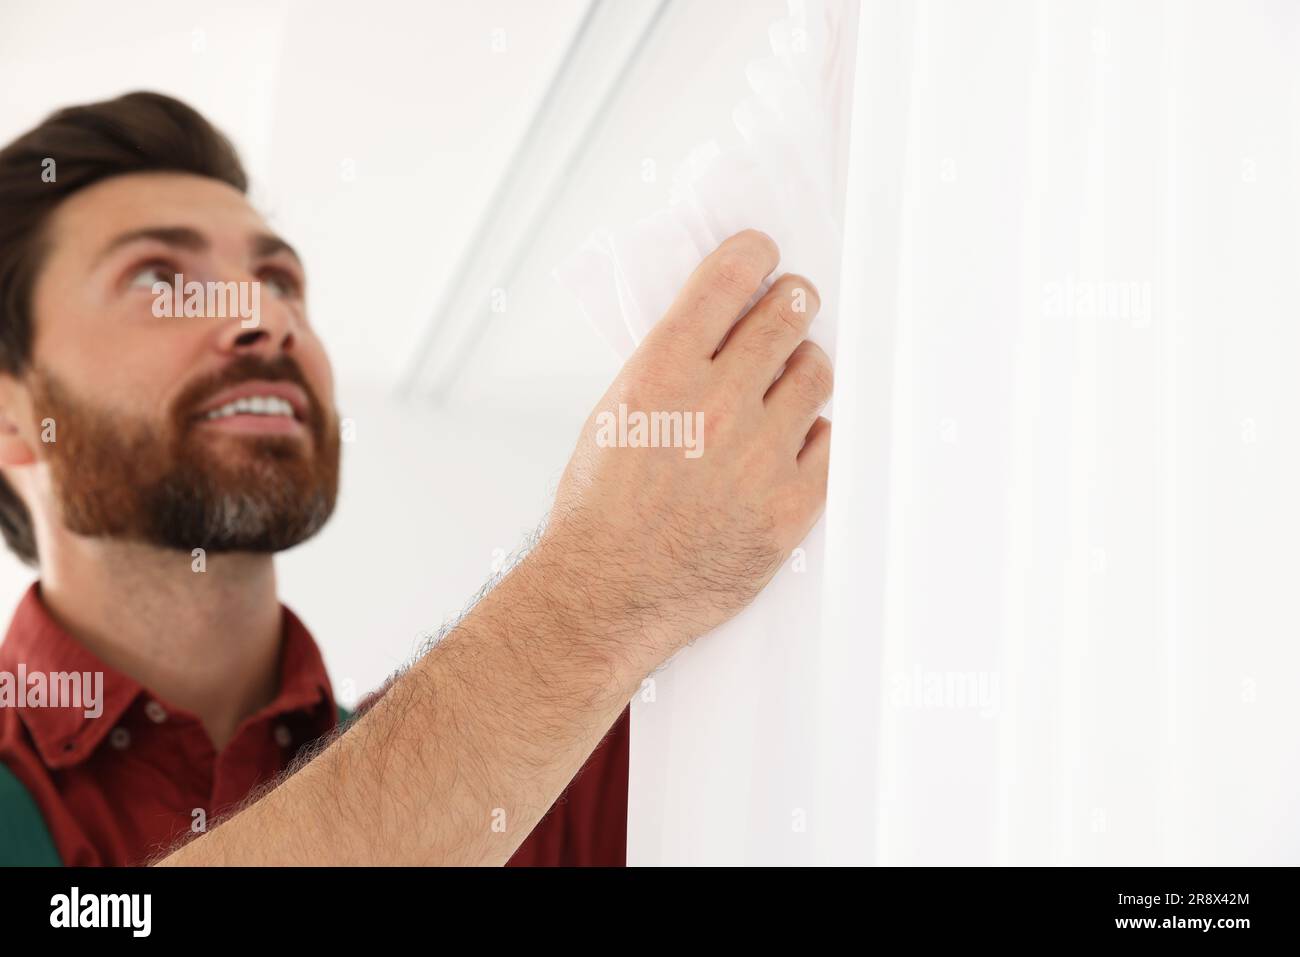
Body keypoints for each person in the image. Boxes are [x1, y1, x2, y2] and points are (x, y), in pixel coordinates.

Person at [0, 92, 833, 866]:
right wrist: (606, 587)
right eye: (160, 280)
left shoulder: (556, 757)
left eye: (280, 279)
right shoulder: (575, 652)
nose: (263, 316)